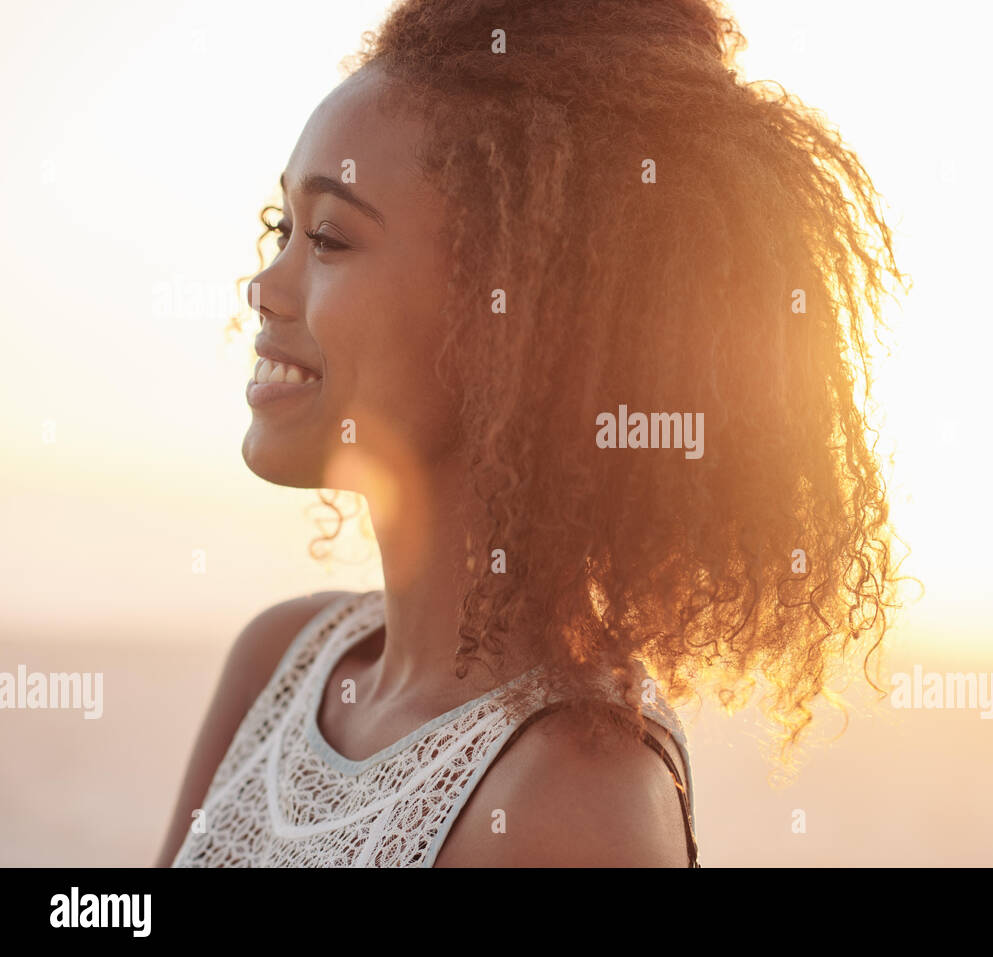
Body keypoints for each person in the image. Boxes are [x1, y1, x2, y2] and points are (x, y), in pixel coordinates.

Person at [156, 0, 903, 868]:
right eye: (281, 228)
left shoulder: (574, 802)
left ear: (515, 318)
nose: (263, 286)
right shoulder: (281, 661)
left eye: (327, 237)